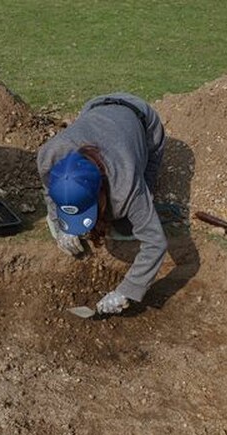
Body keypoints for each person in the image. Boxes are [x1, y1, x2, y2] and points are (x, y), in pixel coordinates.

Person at [37, 92, 167, 315]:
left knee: (126, 225)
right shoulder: (49, 157)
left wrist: (127, 291)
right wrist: (61, 226)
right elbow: (50, 191)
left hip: (144, 122)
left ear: (100, 194)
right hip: (95, 108)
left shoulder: (127, 186)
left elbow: (156, 243)